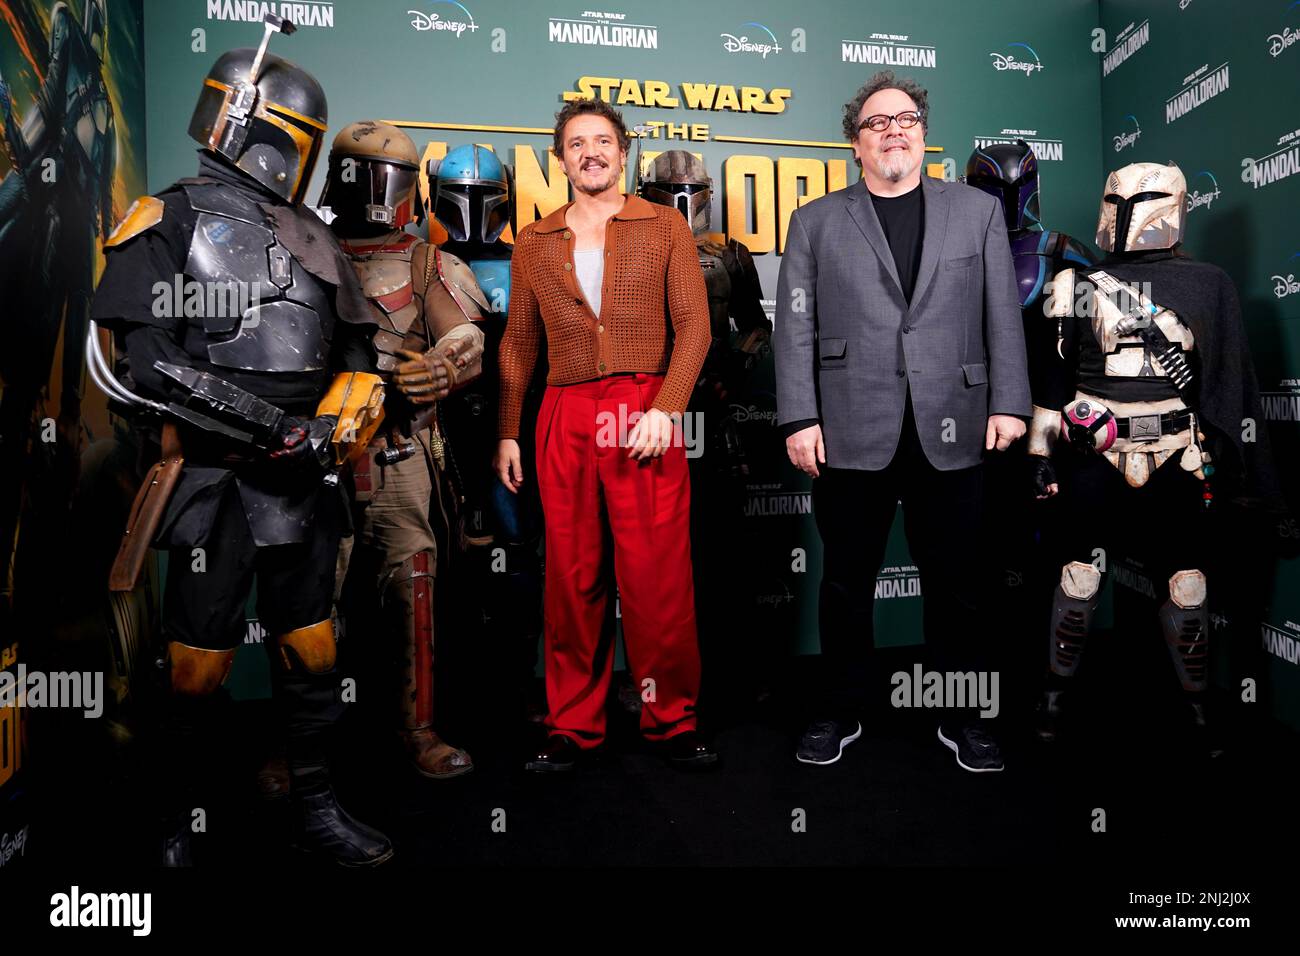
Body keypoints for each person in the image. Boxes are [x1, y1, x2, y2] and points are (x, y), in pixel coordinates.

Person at [90, 17, 392, 865]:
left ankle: (318, 808)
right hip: (217, 484)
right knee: (197, 663)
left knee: (313, 650)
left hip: (306, 485)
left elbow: (361, 357)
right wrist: (272, 430)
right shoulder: (169, 217)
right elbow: (144, 360)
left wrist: (329, 434)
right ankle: (172, 824)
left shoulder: (319, 241)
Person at [775, 71, 1030, 773]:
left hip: (957, 420)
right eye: (878, 122)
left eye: (907, 118)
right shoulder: (816, 221)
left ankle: (962, 713)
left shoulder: (975, 211)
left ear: (924, 133)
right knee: (846, 582)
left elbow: (1001, 316)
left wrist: (1010, 401)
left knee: (958, 582)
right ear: (855, 143)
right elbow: (793, 329)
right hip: (851, 425)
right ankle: (840, 707)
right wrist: (799, 414)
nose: (894, 129)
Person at [1030, 161, 1283, 754]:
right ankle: (1054, 694)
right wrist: (1041, 453)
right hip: (1094, 454)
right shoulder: (1074, 283)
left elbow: (1229, 384)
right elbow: (1053, 381)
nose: (1123, 212)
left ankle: (1196, 704)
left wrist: (1247, 469)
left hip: (1179, 454)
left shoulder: (1207, 285)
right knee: (1079, 579)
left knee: (1188, 584)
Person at [493, 98, 715, 771]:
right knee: (571, 577)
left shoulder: (664, 225)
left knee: (657, 579)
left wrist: (667, 408)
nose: (591, 152)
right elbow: (517, 345)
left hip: (643, 408)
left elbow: (696, 329)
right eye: (576, 143)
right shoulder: (533, 241)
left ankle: (671, 719)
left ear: (624, 154)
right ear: (560, 159)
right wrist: (508, 431)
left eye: (603, 141)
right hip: (563, 414)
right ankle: (573, 726)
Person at [322, 120, 485, 778]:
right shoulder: (299, 252)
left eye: (383, 178)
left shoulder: (426, 262)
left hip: (400, 450)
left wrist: (444, 365)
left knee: (411, 583)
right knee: (305, 601)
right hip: (316, 454)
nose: (371, 193)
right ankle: (301, 744)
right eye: (358, 174)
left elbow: (467, 335)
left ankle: (415, 727)